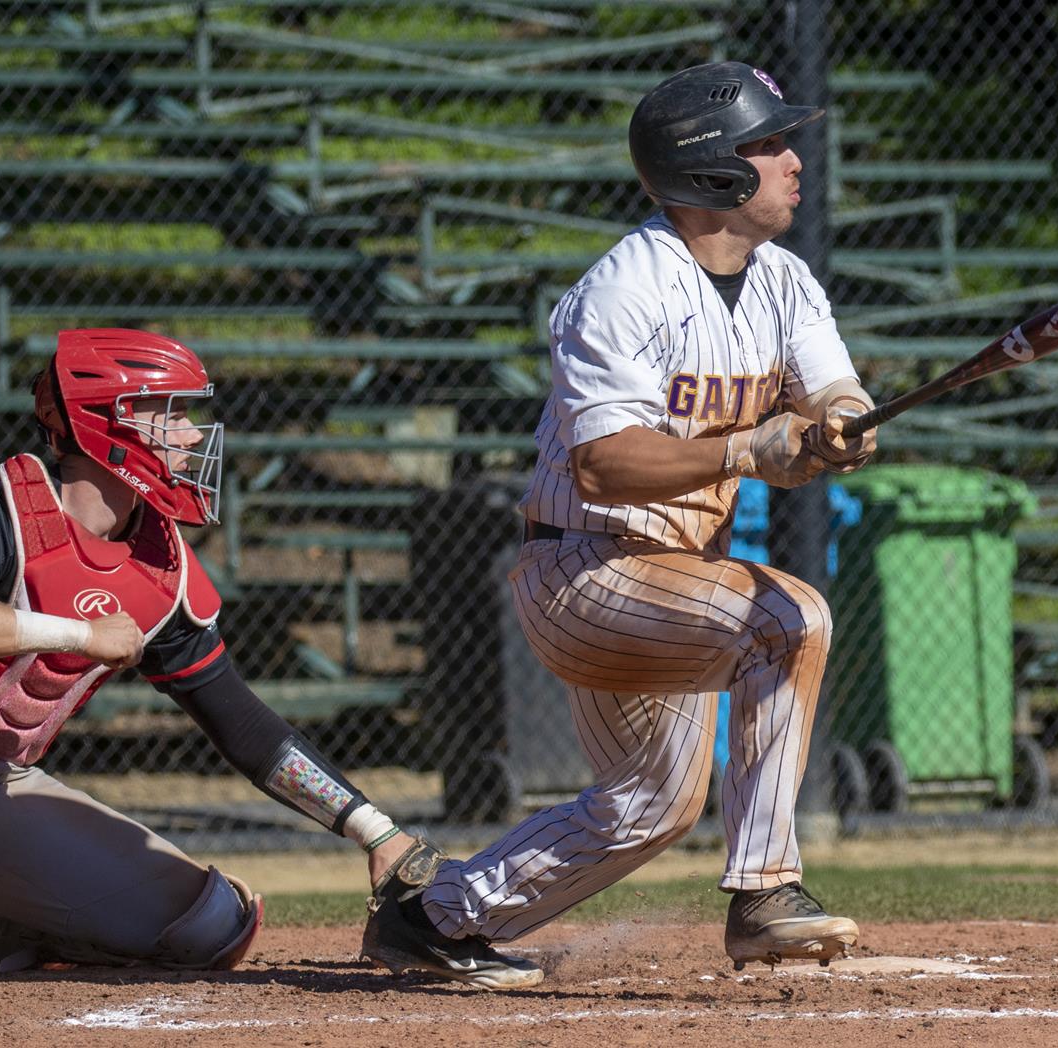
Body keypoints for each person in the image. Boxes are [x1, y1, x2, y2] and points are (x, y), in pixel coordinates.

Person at [363, 60, 878, 980]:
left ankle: (437, 918)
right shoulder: (624, 288)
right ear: (714, 170)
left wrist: (838, 422)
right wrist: (748, 450)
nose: (794, 158)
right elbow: (604, 462)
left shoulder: (785, 281)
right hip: (586, 572)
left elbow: (829, 385)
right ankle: (764, 889)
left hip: (682, 577)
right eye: (768, 144)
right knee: (790, 620)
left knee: (652, 804)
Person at [0, 328, 538, 989]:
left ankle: (5, 919)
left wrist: (375, 832)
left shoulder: (159, 566)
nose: (190, 434)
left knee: (210, 924)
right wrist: (77, 635)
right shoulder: (0, 510)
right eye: (172, 412)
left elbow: (242, 725)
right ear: (108, 421)